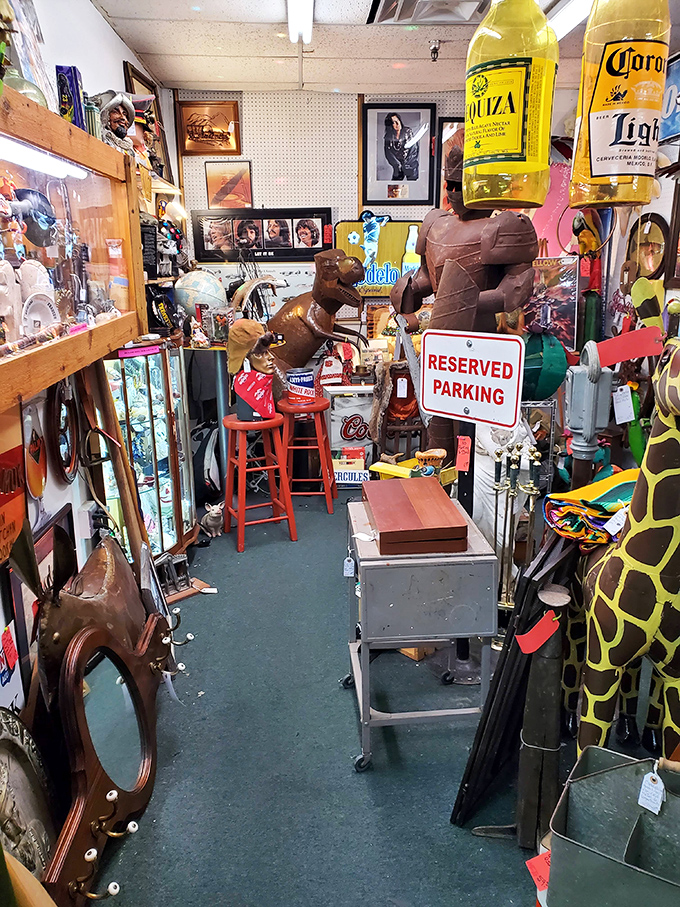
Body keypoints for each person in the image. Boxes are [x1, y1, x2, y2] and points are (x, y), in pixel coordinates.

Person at [383, 112, 418, 182]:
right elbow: (388, 154)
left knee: (414, 188)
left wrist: (407, 165)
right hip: (398, 168)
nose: (397, 124)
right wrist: (397, 165)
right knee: (394, 188)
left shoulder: (408, 132)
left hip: (410, 166)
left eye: (397, 121)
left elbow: (414, 150)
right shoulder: (388, 137)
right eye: (394, 122)